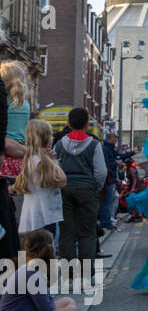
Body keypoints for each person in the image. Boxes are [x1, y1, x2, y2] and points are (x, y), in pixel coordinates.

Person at [0, 230, 91, 311]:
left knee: (68, 300)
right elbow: (47, 309)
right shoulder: (31, 273)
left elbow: (46, 303)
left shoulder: (29, 269)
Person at [53, 108, 105, 284]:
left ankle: (68, 276)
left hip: (64, 190)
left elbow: (54, 168)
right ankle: (85, 275)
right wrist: (94, 188)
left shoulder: (59, 144)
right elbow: (100, 172)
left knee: (66, 234)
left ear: (68, 123)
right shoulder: (94, 144)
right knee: (87, 233)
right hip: (86, 190)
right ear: (86, 124)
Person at [13, 119, 63, 239]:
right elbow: (61, 181)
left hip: (30, 216)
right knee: (45, 254)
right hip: (44, 216)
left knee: (27, 253)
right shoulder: (42, 161)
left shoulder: (28, 159)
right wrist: (54, 161)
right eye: (50, 134)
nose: (52, 137)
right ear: (44, 137)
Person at [1, 61, 30, 226]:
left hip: (4, 163)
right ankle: (20, 253)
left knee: (5, 219)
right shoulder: (24, 104)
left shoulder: (5, 103)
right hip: (19, 166)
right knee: (19, 220)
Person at [98, 132, 120, 236]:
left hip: (109, 179)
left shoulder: (107, 149)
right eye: (116, 138)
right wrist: (116, 163)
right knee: (107, 201)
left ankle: (108, 220)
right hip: (108, 179)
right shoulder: (106, 149)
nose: (116, 140)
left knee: (109, 200)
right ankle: (106, 222)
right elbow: (108, 164)